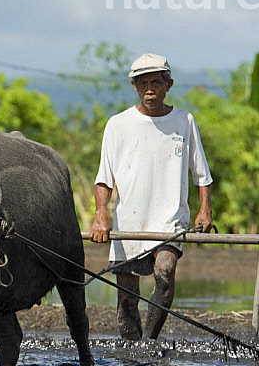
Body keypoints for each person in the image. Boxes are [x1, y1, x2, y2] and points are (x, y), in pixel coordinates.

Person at [89, 52, 214, 340]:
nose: (149, 89)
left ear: (168, 84)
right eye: (143, 83)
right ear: (134, 86)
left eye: (156, 82)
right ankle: (132, 351)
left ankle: (150, 342)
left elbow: (201, 174)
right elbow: (104, 178)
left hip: (169, 218)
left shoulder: (184, 121)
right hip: (129, 220)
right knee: (126, 294)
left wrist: (205, 210)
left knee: (165, 270)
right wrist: (100, 215)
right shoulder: (118, 125)